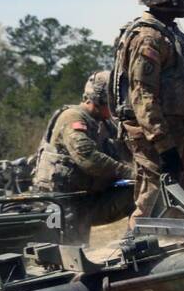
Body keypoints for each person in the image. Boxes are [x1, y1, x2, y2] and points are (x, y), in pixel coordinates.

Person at [110, 0, 184, 220]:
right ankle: (135, 259)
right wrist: (164, 147)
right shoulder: (149, 38)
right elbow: (143, 97)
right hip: (157, 141)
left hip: (183, 135)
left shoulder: (170, 34)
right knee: (152, 209)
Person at [31, 70, 135, 244]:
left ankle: (133, 244)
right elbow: (88, 158)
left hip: (86, 200)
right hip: (62, 204)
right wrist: (129, 173)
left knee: (139, 193)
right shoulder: (73, 117)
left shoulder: (104, 124)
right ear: (102, 99)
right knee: (72, 252)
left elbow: (124, 150)